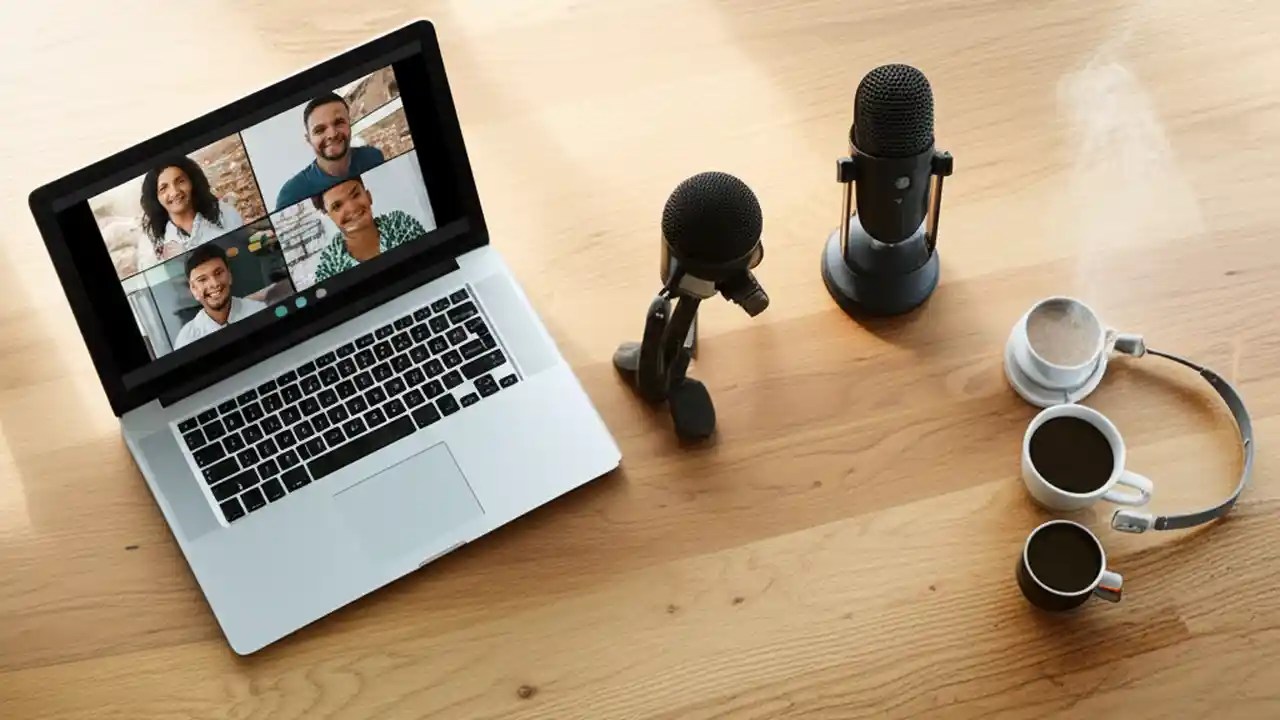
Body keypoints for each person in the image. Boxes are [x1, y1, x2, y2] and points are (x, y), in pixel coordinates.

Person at [275, 93, 385, 210]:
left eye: (339, 123)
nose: (332, 134)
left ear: (349, 125)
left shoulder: (373, 157)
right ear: (309, 139)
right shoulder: (291, 195)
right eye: (319, 130)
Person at [311, 177, 428, 282]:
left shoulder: (402, 226)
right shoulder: (329, 269)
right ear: (328, 216)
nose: (352, 208)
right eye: (337, 206)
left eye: (355, 195)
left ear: (368, 196)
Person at [140, 157, 243, 261]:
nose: (175, 192)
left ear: (192, 182)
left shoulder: (223, 212)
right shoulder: (151, 242)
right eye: (163, 188)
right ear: (155, 197)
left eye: (180, 181)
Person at [173, 243, 267, 349]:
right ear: (193, 289)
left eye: (218, 273)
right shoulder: (187, 340)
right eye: (202, 279)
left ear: (230, 275)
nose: (214, 283)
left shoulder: (259, 310)